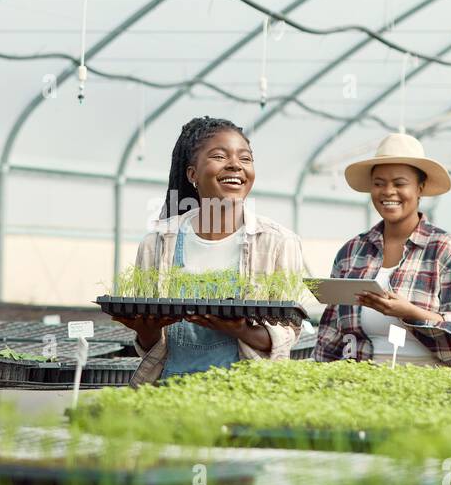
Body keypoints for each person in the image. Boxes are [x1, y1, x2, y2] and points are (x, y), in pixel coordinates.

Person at [113, 116, 310, 385]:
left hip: (248, 391)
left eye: (245, 159)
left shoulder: (277, 242)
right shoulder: (158, 242)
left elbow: (288, 333)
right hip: (168, 389)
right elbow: (151, 345)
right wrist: (147, 330)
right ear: (192, 174)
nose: (235, 165)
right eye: (219, 156)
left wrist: (239, 328)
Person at [313, 132, 451, 366]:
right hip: (357, 383)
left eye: (399, 183)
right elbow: (331, 331)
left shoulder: (449, 251)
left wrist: (411, 312)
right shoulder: (352, 252)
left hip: (423, 386)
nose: (388, 192)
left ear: (420, 188)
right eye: (379, 184)